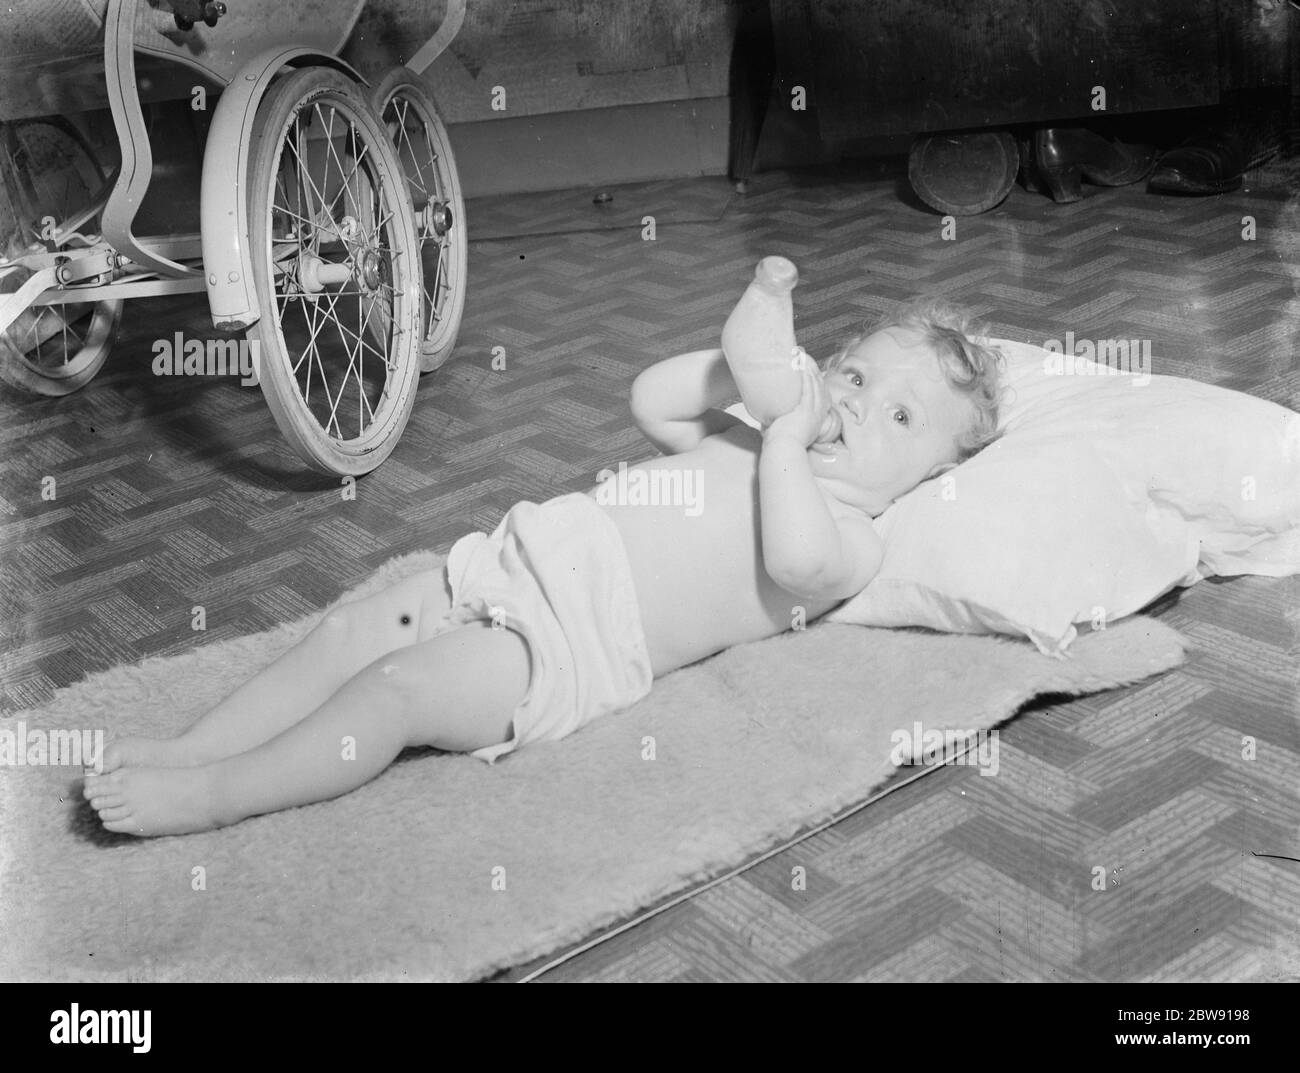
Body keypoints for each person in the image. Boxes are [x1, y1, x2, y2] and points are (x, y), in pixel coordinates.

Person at [82, 299, 1005, 837]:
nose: (857, 408)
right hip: (519, 558)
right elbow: (652, 401)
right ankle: (196, 744)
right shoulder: (762, 431)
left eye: (900, 420)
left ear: (929, 478)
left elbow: (799, 564)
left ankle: (212, 796)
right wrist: (747, 376)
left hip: (565, 645)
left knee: (397, 690)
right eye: (854, 378)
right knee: (349, 628)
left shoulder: (850, 526)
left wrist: (793, 442)